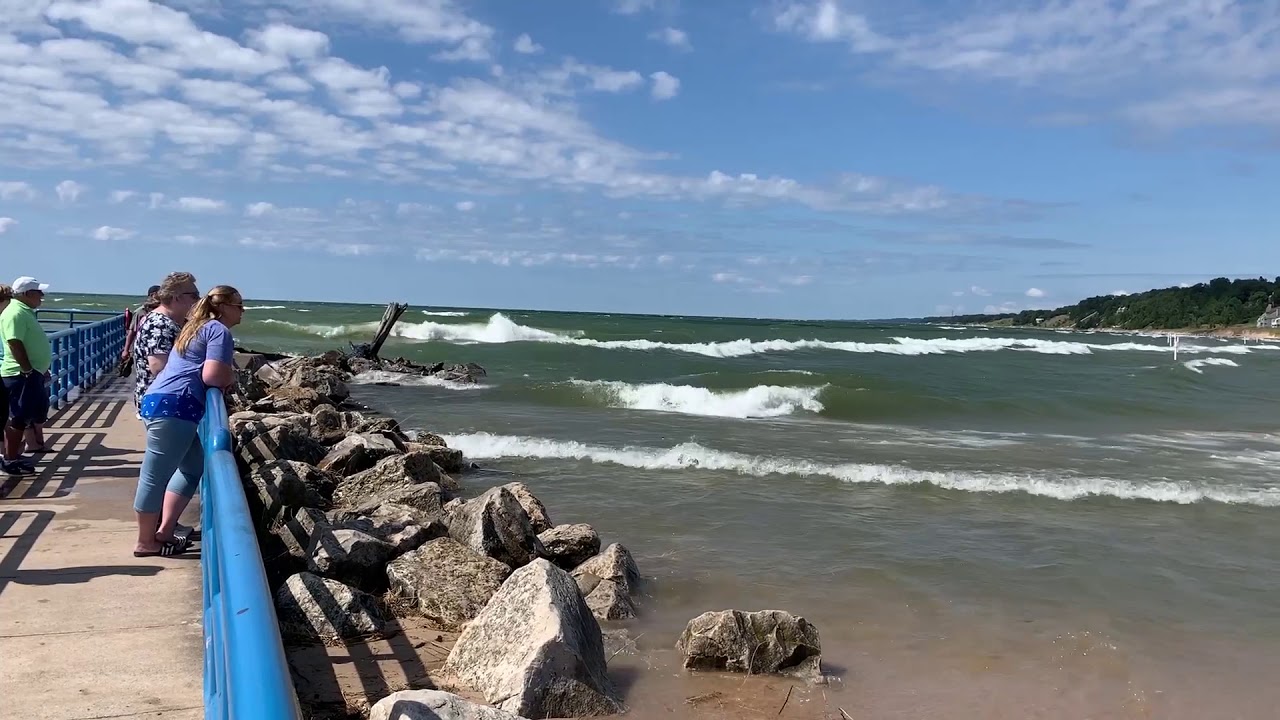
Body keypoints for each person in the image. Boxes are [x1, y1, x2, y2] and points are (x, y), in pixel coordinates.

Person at [133, 286, 244, 557]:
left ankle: (165, 530)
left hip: (164, 401)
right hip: (175, 404)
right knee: (154, 475)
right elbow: (212, 375)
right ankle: (146, 542)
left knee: (193, 466)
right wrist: (230, 378)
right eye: (239, 305)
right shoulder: (219, 330)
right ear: (224, 307)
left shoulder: (195, 327)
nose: (243, 311)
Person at [1, 277, 53, 475]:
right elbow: (14, 342)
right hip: (20, 375)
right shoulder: (15, 313)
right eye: (38, 292)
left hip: (29, 373)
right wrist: (28, 370)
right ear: (27, 294)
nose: (42, 296)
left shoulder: (23, 312)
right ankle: (10, 459)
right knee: (19, 418)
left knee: (25, 416)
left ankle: (12, 456)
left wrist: (40, 367)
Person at [133, 273, 198, 412]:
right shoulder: (159, 325)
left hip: (167, 402)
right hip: (162, 405)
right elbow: (159, 367)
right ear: (176, 297)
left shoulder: (171, 322)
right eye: (194, 296)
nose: (198, 301)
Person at [121, 284, 162, 361]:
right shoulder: (141, 312)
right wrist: (126, 350)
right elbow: (132, 332)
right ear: (152, 295)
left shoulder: (163, 310)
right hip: (142, 348)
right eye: (160, 293)